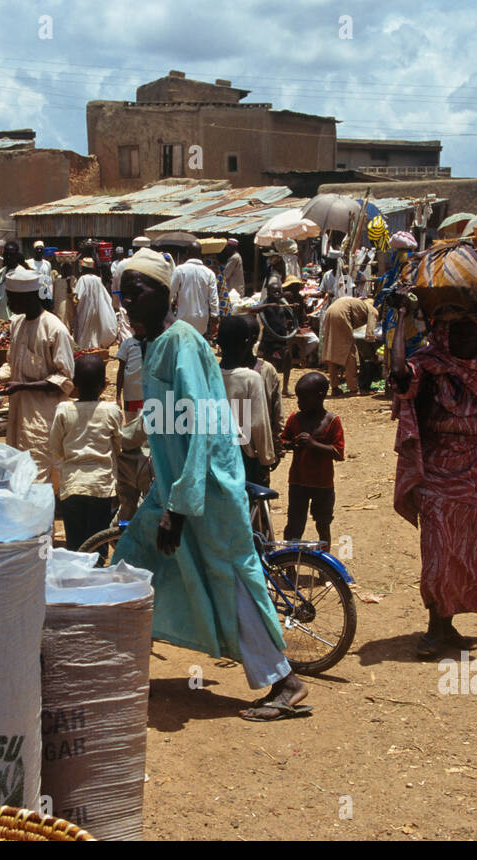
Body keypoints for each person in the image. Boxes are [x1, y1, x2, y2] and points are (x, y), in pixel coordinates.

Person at [112, 248, 313, 721]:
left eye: (136, 290)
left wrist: (179, 508)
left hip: (205, 487)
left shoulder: (183, 341)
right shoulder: (151, 343)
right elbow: (163, 416)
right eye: (123, 290)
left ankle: (285, 681)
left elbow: (202, 424)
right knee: (129, 564)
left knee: (232, 577)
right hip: (174, 486)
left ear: (165, 293)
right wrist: (125, 437)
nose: (126, 300)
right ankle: (119, 666)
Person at [392, 300, 477, 659]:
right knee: (440, 555)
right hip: (438, 477)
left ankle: (448, 623)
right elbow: (397, 374)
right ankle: (434, 628)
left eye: (472, 333)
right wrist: (400, 318)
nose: (467, 340)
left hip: (476, 473)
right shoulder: (427, 369)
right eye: (458, 333)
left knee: (476, 552)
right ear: (443, 336)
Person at [0, 267, 75, 483]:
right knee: (19, 468)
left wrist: (22, 386)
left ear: (30, 297)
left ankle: (44, 514)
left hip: (43, 416)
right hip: (18, 411)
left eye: (14, 299)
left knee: (38, 473)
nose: (10, 305)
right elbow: (12, 363)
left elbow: (65, 378)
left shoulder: (54, 329)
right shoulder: (17, 323)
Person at [50, 354, 139, 552]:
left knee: (76, 545)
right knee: (97, 543)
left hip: (71, 485)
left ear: (74, 384)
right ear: (104, 385)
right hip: (101, 486)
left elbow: (55, 448)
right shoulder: (111, 411)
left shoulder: (63, 409)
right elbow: (119, 446)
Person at [281, 372, 344, 550]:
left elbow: (338, 453)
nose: (299, 402)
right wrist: (291, 444)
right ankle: (289, 565)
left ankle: (325, 565)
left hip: (322, 484)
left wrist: (313, 444)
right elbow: (283, 441)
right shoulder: (295, 418)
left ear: (320, 396)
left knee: (323, 525)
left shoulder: (332, 422)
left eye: (303, 398)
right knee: (294, 525)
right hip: (298, 481)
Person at [216, 314, 277, 487]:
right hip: (241, 455)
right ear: (247, 343)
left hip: (212, 452)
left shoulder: (208, 374)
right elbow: (259, 424)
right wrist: (266, 460)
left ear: (218, 343)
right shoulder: (251, 378)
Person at [114, 332, 151, 521]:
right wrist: (117, 395)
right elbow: (121, 370)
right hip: (132, 394)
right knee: (135, 430)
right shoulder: (128, 344)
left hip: (147, 397)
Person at [318, 295, 378, 396]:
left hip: (330, 311)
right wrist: (373, 352)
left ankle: (334, 386)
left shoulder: (356, 303)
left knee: (331, 349)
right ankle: (353, 388)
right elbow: (370, 335)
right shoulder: (373, 311)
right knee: (350, 351)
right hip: (342, 314)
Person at [254, 275, 296, 387]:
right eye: (274, 292)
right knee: (268, 366)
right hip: (269, 339)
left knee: (287, 359)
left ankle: (285, 387)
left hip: (281, 339)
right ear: (268, 293)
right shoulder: (266, 306)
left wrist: (294, 308)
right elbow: (253, 309)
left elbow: (291, 317)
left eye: (279, 292)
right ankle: (267, 387)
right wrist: (267, 305)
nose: (277, 294)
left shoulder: (283, 305)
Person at [169, 244, 220, 336]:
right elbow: (213, 298)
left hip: (183, 317)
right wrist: (215, 317)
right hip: (202, 319)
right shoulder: (209, 273)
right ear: (201, 254)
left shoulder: (179, 270)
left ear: (186, 254)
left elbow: (170, 293)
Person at [72, 257, 118, 349]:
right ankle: (95, 347)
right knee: (95, 329)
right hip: (97, 309)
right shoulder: (98, 279)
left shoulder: (82, 279)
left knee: (85, 331)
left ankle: (85, 348)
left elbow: (77, 297)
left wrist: (73, 305)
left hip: (84, 310)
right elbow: (105, 296)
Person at [0, 241, 33, 320]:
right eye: (7, 254)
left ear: (16, 255)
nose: (9, 257)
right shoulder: (2, 272)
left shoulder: (21, 272)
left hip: (13, 318)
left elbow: (22, 299)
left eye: (11, 255)